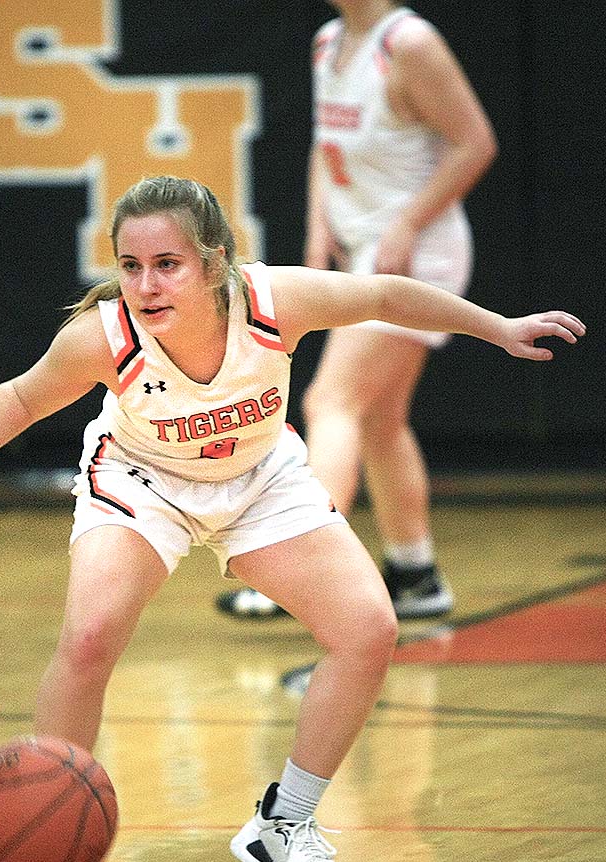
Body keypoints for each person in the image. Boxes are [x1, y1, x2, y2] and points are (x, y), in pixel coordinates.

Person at [0, 175, 582, 862]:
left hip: (259, 478)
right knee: (91, 636)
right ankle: (46, 823)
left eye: (167, 265)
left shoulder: (272, 302)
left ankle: (283, 825)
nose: (146, 285)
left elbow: (383, 296)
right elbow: (24, 397)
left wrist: (498, 327)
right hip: (142, 481)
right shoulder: (106, 337)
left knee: (369, 631)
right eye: (130, 267)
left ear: (214, 262)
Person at [218, 0, 497, 621]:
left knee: (329, 403)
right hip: (361, 247)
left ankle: (300, 571)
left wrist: (408, 220)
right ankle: (416, 572)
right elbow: (326, 147)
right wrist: (319, 237)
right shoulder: (329, 41)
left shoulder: (410, 42)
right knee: (379, 418)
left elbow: (475, 142)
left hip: (412, 256)